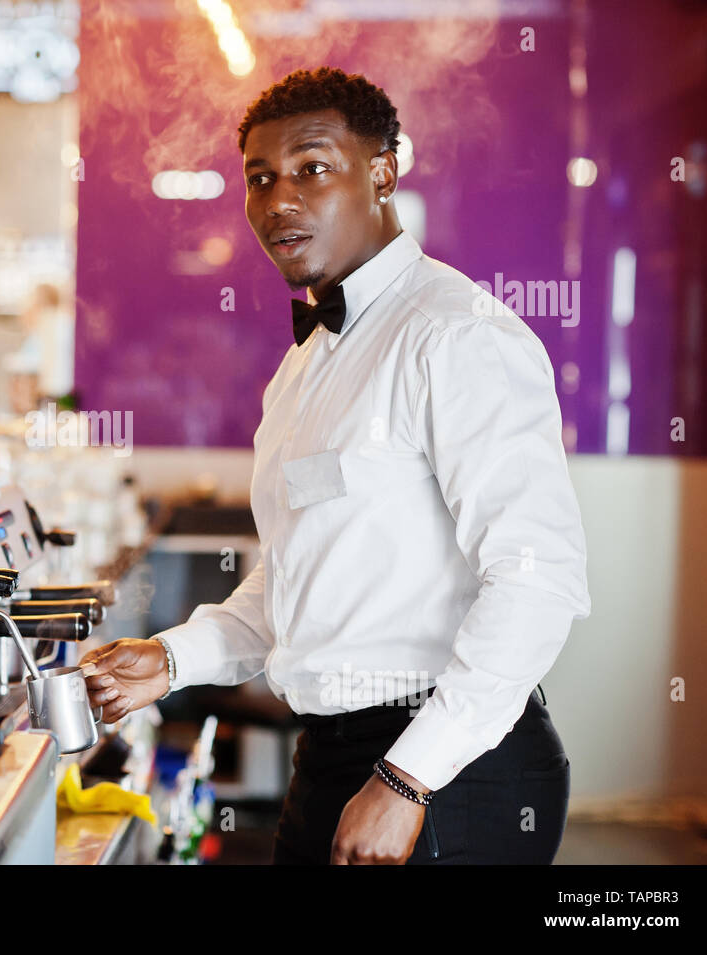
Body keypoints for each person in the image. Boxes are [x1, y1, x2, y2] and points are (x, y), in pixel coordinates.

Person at [81, 67, 591, 865]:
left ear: (383, 172)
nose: (280, 198)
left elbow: (537, 579)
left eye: (313, 167)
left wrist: (407, 778)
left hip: (447, 773)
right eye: (260, 178)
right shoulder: (306, 364)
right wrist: (177, 656)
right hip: (332, 757)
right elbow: (297, 579)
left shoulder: (456, 335)